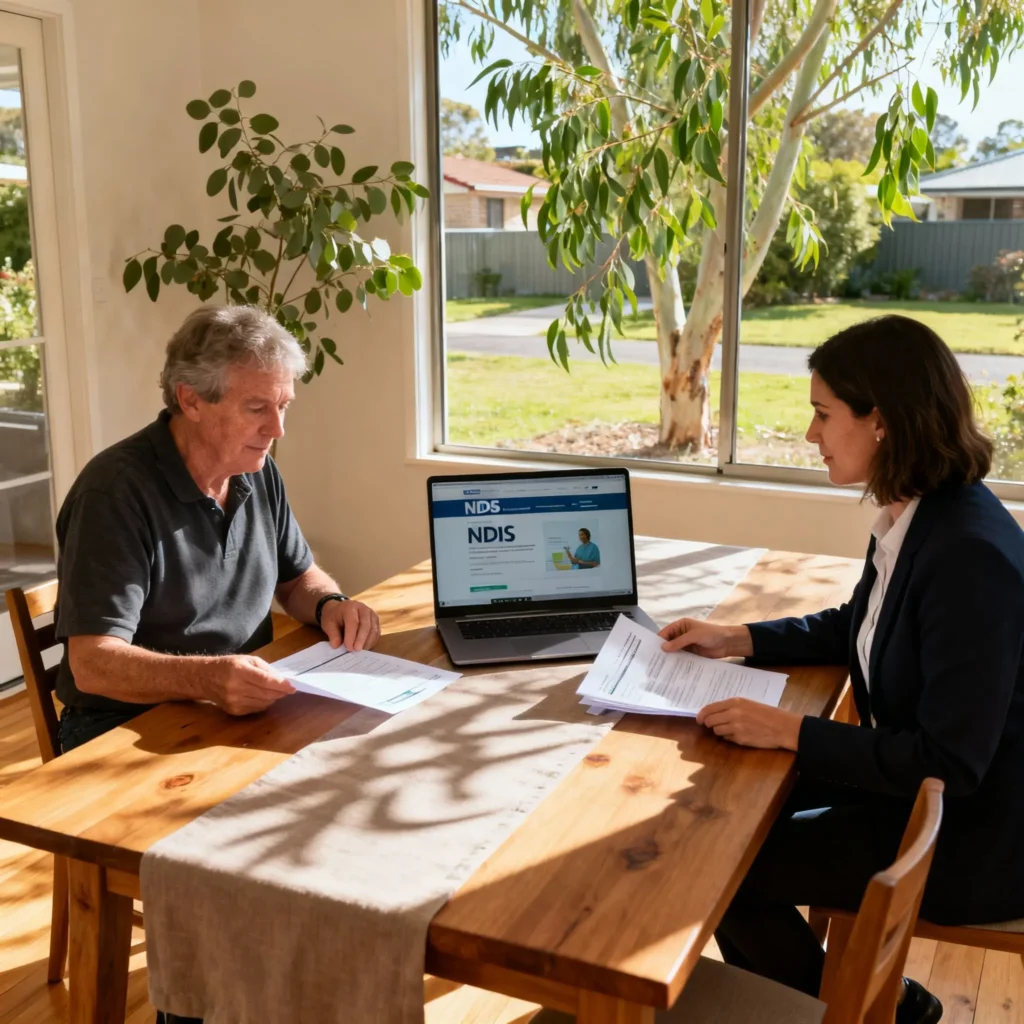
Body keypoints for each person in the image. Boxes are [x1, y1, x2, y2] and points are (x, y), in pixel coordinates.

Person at [659, 316, 1024, 1024]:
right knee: (720, 811)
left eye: (823, 414)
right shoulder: (920, 515)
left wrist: (791, 731)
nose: (810, 434)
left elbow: (951, 762)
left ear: (881, 421)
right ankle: (866, 1003)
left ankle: (856, 1012)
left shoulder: (968, 557)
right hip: (916, 788)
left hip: (973, 837)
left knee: (724, 866)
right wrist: (737, 637)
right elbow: (861, 624)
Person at [54, 304, 381, 755]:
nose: (277, 429)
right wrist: (207, 679)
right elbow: (93, 663)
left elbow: (297, 578)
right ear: (191, 400)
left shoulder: (254, 468)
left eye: (283, 406)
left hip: (243, 707)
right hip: (125, 728)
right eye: (257, 408)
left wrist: (330, 603)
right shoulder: (113, 494)